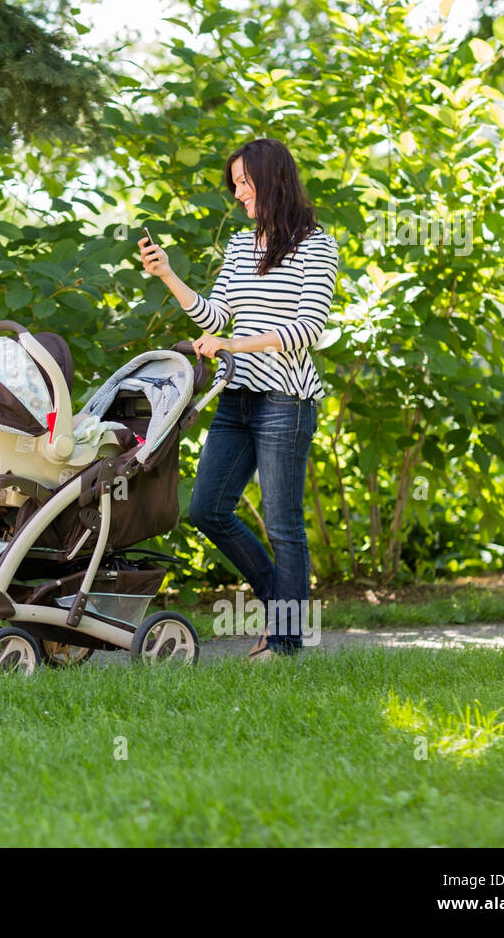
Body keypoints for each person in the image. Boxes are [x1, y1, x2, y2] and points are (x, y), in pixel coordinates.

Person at [138, 138, 339, 660]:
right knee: (207, 509)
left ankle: (287, 642)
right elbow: (214, 315)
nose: (239, 193)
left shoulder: (318, 245)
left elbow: (307, 329)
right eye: (235, 185)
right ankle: (282, 603)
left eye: (246, 182)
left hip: (285, 401)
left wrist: (235, 343)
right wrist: (168, 275)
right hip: (238, 398)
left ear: (273, 179)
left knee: (283, 524)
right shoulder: (243, 245)